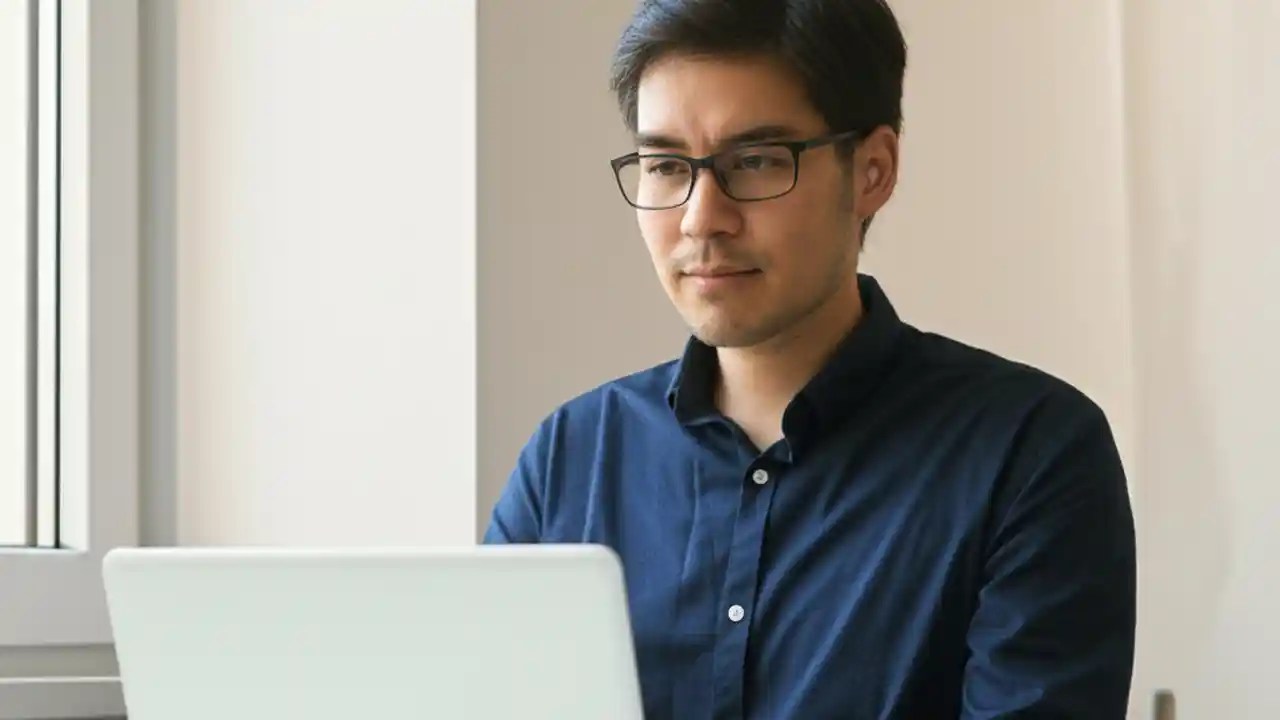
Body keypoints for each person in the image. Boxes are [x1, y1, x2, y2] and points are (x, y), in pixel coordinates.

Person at [483, 1, 1137, 718]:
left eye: (758, 161)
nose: (702, 218)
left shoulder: (1028, 455)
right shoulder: (571, 460)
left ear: (874, 170)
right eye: (666, 166)